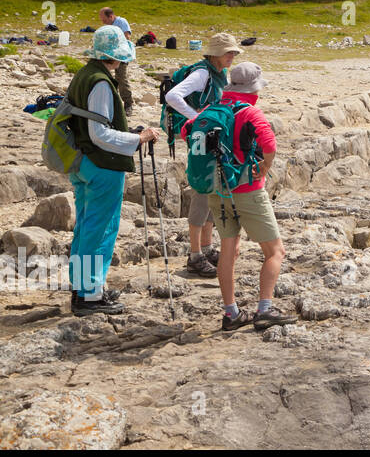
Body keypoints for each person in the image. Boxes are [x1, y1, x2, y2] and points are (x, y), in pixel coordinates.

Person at [181, 62, 296, 332]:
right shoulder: (250, 112)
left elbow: (187, 130)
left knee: (229, 250)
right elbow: (269, 144)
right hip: (248, 191)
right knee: (275, 251)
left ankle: (231, 313)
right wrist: (264, 167)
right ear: (253, 89)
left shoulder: (212, 110)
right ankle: (265, 309)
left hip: (217, 192)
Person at [64, 26, 162, 315]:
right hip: (101, 165)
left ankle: (81, 288)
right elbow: (100, 134)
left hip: (82, 162)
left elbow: (92, 125)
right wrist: (138, 139)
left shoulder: (84, 74)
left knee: (85, 227)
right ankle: (90, 296)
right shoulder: (102, 83)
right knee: (101, 229)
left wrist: (128, 131)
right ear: (116, 57)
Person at [164, 33, 242, 277]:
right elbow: (172, 96)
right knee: (201, 189)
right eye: (229, 52)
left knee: (212, 187)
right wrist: (197, 119)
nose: (233, 56)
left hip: (207, 136)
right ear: (216, 53)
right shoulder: (203, 73)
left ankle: (206, 249)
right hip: (200, 136)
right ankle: (195, 255)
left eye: (234, 52)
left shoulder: (216, 73)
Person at [97, 7, 134, 115]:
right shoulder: (108, 26)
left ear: (111, 16)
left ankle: (128, 104)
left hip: (122, 55)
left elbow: (127, 37)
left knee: (121, 78)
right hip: (110, 54)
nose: (103, 22)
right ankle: (112, 103)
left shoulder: (121, 22)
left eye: (104, 19)